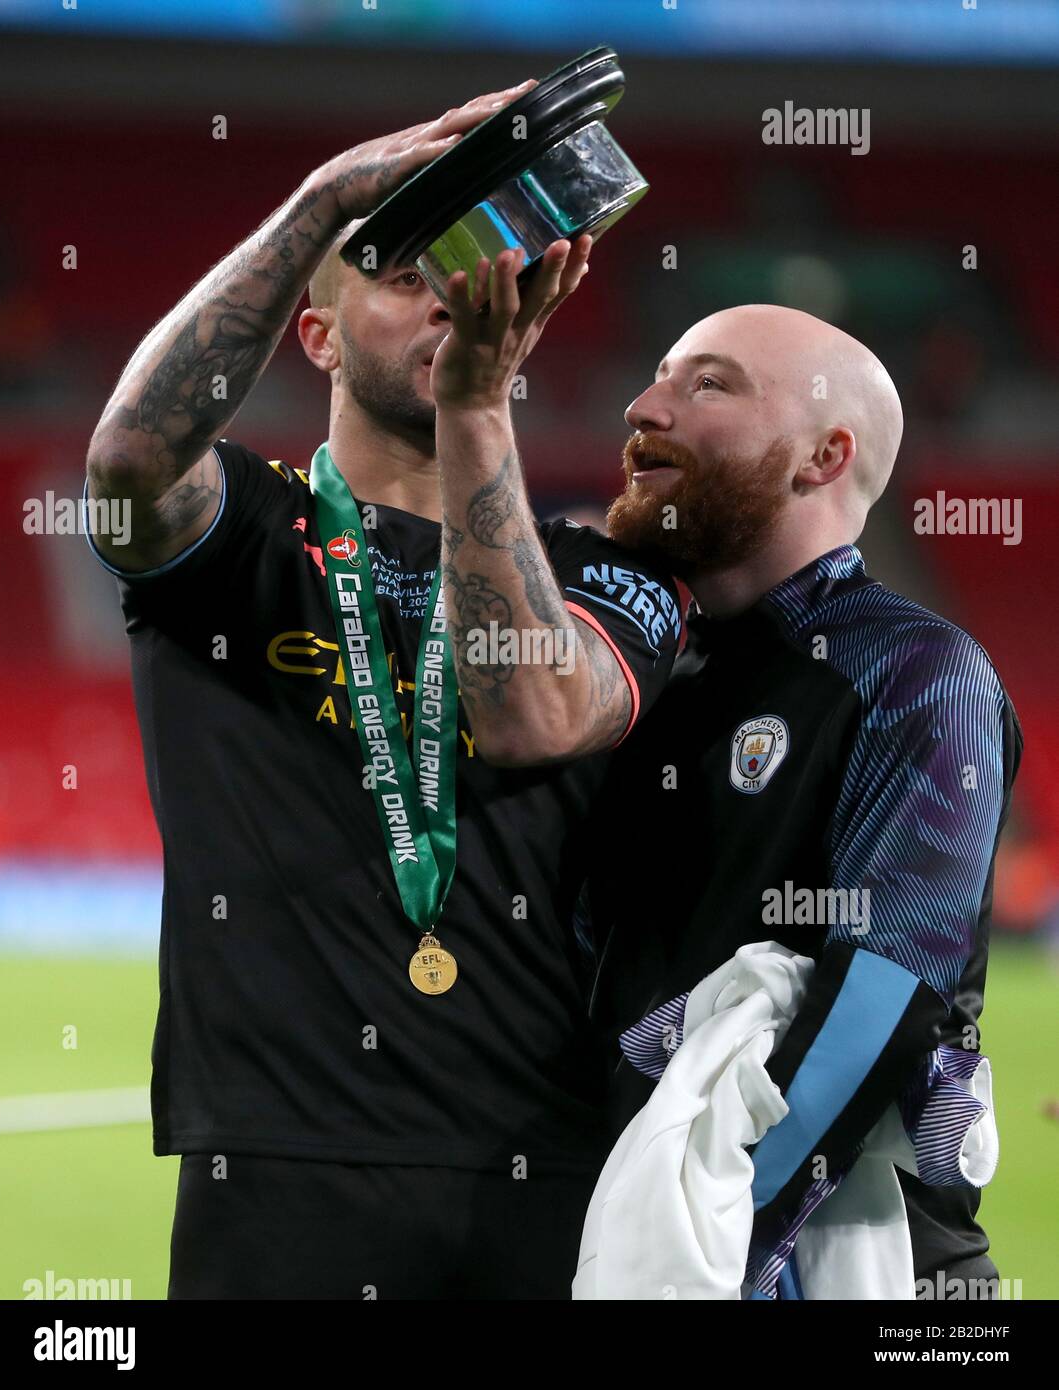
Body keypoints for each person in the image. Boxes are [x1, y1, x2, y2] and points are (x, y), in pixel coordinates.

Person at [83, 83, 685, 1300]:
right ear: (317, 335)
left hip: (548, 1167)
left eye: (469, 272)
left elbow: (530, 713)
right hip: (274, 1167)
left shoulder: (606, 576)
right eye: (403, 271)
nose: (446, 296)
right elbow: (126, 468)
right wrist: (318, 206)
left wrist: (473, 410)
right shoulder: (244, 540)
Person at [582, 303, 1022, 1298]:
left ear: (822, 456)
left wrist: (715, 1240)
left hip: (857, 1262)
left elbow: (885, 991)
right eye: (657, 375)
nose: (643, 407)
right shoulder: (649, 674)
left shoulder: (919, 672)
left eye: (708, 384)